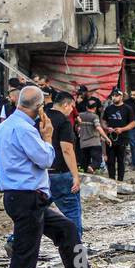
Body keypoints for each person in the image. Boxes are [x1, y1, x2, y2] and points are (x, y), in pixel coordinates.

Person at [0, 85, 102, 268]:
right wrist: (47, 137)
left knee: (68, 229)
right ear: (39, 107)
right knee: (26, 253)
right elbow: (45, 160)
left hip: (26, 197)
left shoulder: (5, 126)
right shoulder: (25, 129)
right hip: (27, 197)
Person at [47, 91, 84, 242]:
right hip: (60, 173)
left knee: (34, 211)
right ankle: (77, 248)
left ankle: (15, 239)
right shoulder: (63, 121)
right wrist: (75, 176)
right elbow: (67, 149)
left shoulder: (42, 117)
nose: (72, 111)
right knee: (72, 212)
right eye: (71, 107)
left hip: (42, 173)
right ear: (65, 105)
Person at [101, 90, 135, 181]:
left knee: (121, 161)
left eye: (116, 96)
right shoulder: (109, 108)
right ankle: (111, 180)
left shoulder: (127, 108)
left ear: (121, 97)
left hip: (122, 138)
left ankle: (120, 180)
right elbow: (103, 121)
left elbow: (132, 124)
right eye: (113, 96)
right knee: (110, 161)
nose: (114, 97)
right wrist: (107, 128)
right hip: (110, 138)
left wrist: (122, 129)